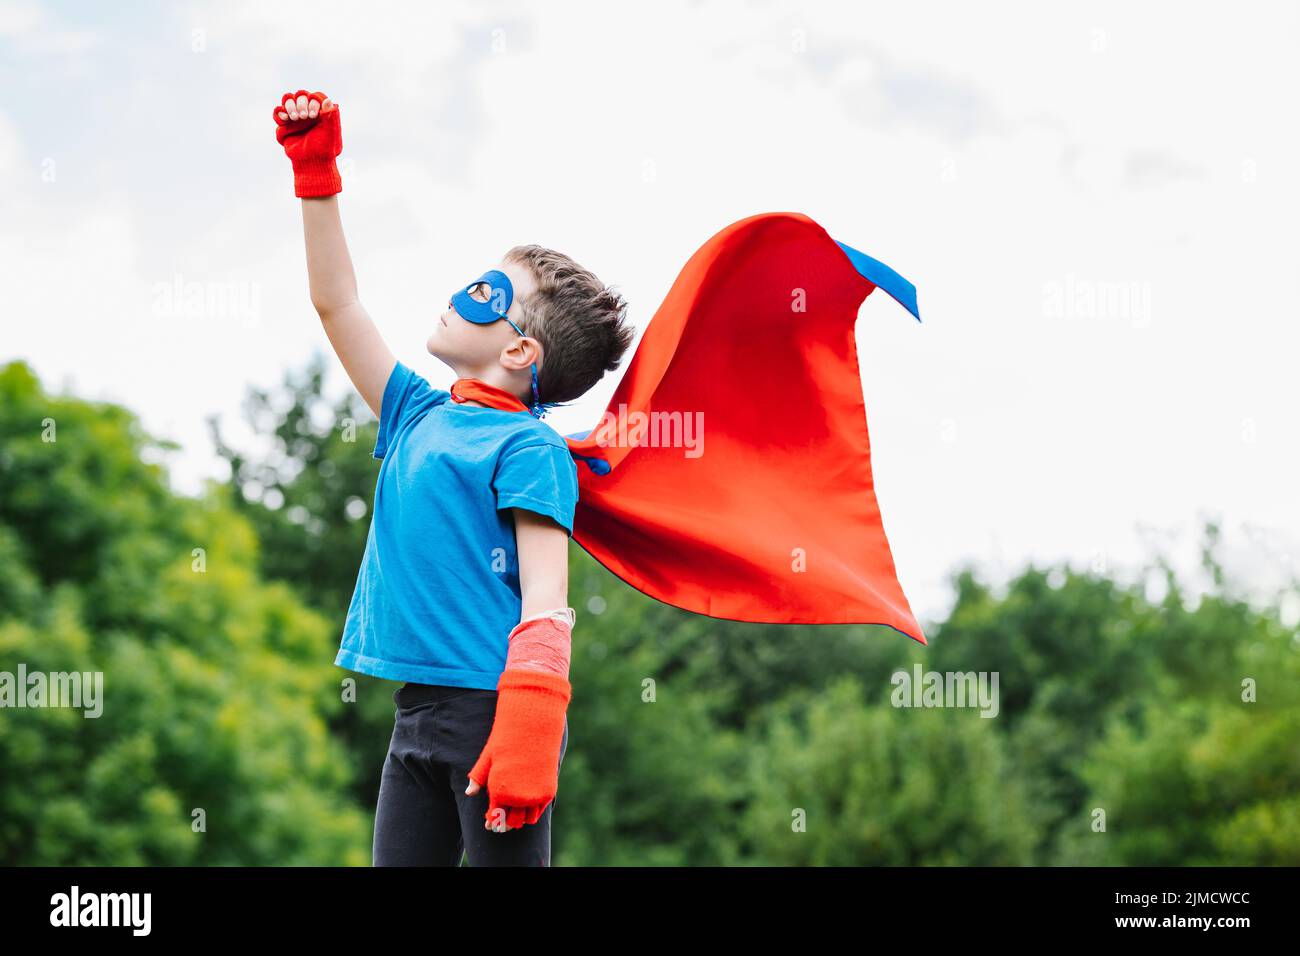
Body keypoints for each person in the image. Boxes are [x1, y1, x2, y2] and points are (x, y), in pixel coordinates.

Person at [272, 89, 635, 866]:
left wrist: (533, 721)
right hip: (416, 713)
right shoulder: (414, 413)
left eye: (487, 294)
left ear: (517, 353)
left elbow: (546, 594)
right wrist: (317, 174)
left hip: (496, 713)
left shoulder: (529, 450)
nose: (459, 294)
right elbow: (336, 303)